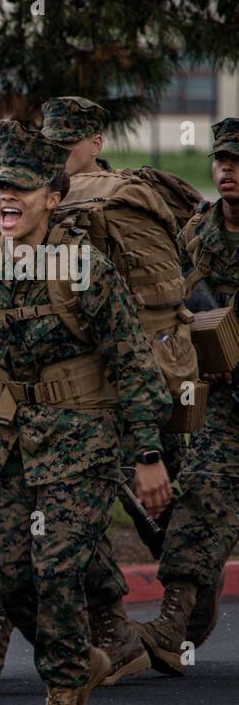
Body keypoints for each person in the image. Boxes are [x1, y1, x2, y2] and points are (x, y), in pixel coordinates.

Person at [0, 123, 172, 705]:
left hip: (82, 441)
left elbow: (132, 365)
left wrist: (147, 456)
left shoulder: (85, 269)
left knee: (58, 570)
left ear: (52, 198)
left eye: (19, 186)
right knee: (5, 577)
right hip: (10, 443)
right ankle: (79, 656)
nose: (2, 196)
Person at [138, 118, 239, 671]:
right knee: (200, 494)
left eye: (238, 161)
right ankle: (175, 623)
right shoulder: (197, 234)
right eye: (222, 160)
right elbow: (172, 310)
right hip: (223, 400)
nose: (228, 170)